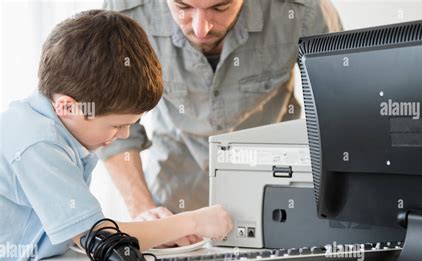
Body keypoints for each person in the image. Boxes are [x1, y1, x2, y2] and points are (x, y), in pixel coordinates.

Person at [0, 9, 232, 261]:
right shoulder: (37, 144)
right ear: (68, 107)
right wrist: (194, 221)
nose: (123, 135)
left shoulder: (50, 127)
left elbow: (78, 230)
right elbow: (95, 237)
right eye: (116, 125)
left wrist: (152, 233)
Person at [100, 0, 343, 241]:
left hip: (277, 196)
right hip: (174, 195)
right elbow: (111, 123)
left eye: (220, 8)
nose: (200, 29)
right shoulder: (124, 12)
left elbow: (339, 112)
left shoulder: (306, 10)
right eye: (183, 7)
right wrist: (144, 211)